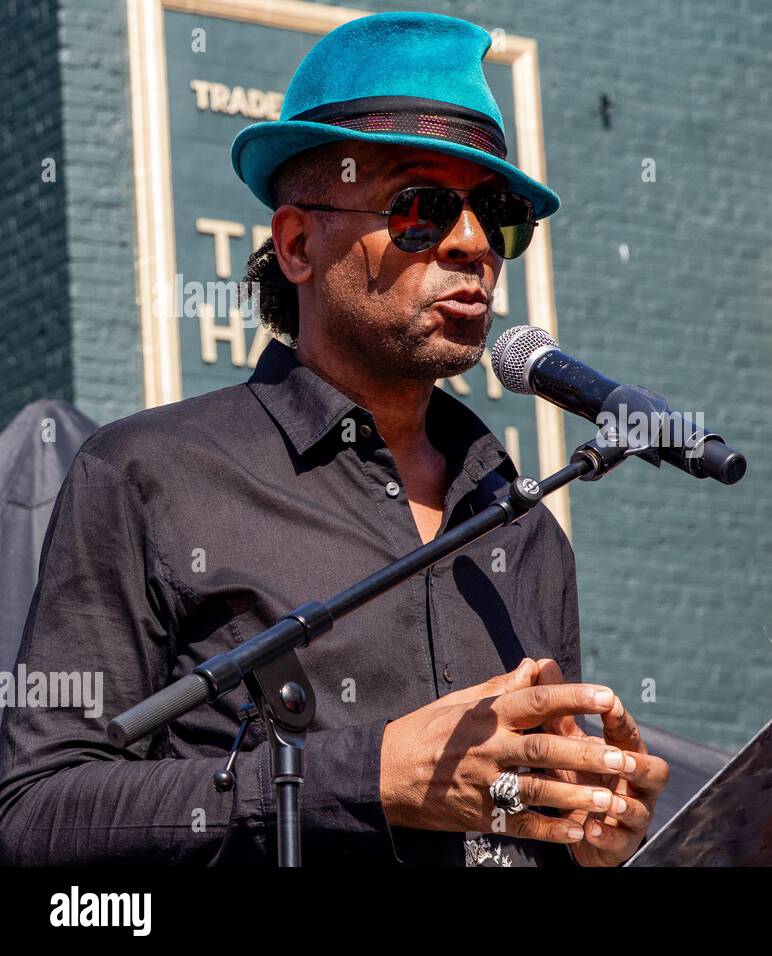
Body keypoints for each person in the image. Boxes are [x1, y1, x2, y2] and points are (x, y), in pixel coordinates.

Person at [0, 11, 666, 867]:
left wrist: (588, 836)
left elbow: (519, 818)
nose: (471, 245)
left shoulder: (527, 529)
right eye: (421, 208)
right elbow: (34, 817)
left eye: (495, 216)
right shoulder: (147, 475)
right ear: (298, 243)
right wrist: (368, 779)